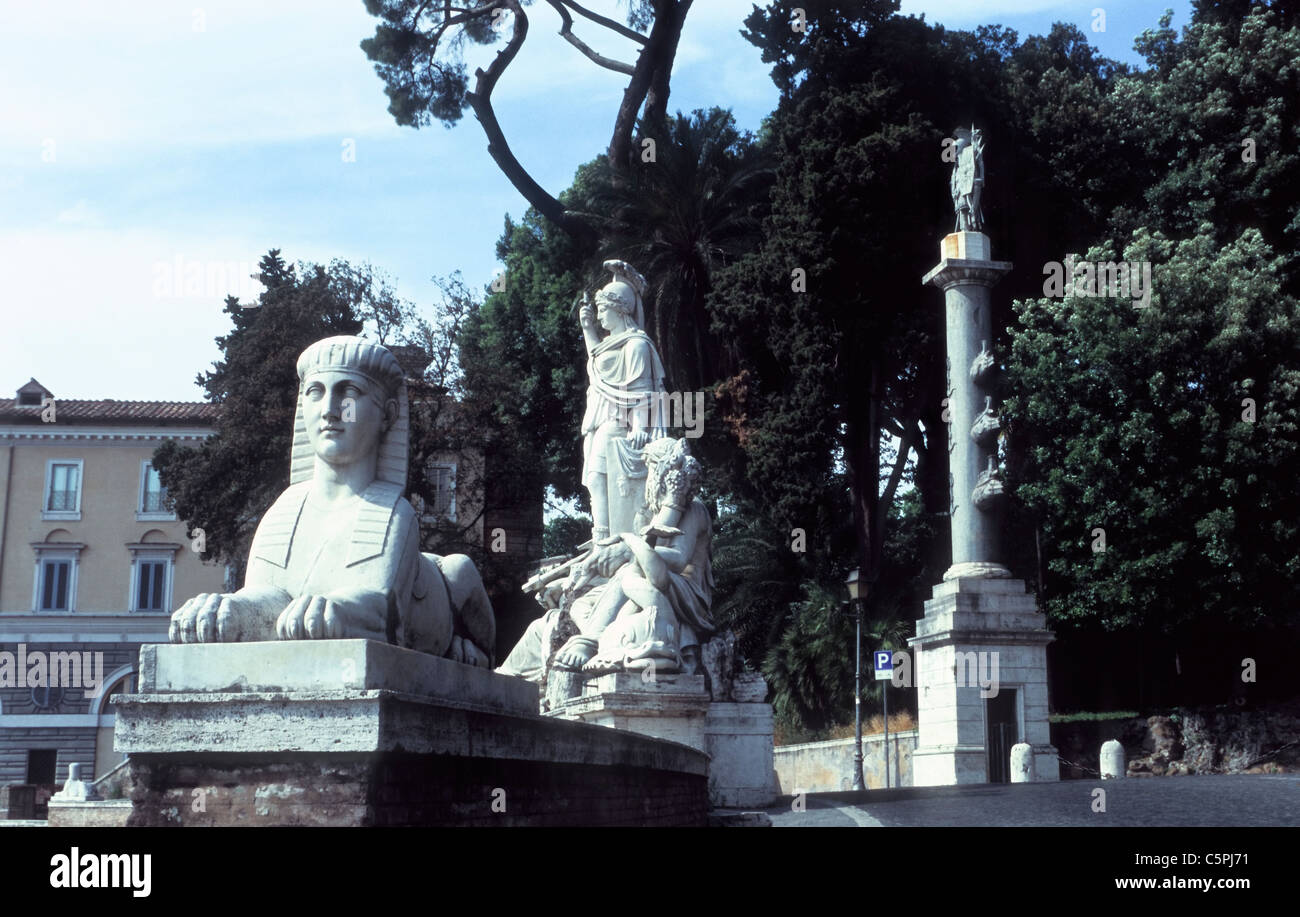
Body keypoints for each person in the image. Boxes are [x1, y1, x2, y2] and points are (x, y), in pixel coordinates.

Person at [169, 336, 495, 665]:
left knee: (458, 569)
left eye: (350, 392)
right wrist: (232, 609)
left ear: (388, 415)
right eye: (316, 392)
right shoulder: (284, 509)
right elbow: (270, 596)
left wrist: (337, 610)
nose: (329, 410)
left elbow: (381, 613)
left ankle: (480, 649)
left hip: (424, 603)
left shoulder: (395, 514)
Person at [579, 260, 668, 543]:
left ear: (620, 309)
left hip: (618, 423)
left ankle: (610, 537)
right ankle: (600, 538)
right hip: (599, 420)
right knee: (595, 480)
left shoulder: (637, 345)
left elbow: (642, 390)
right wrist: (587, 328)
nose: (600, 316)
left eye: (603, 309)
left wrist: (640, 426)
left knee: (612, 483)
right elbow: (597, 359)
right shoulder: (609, 343)